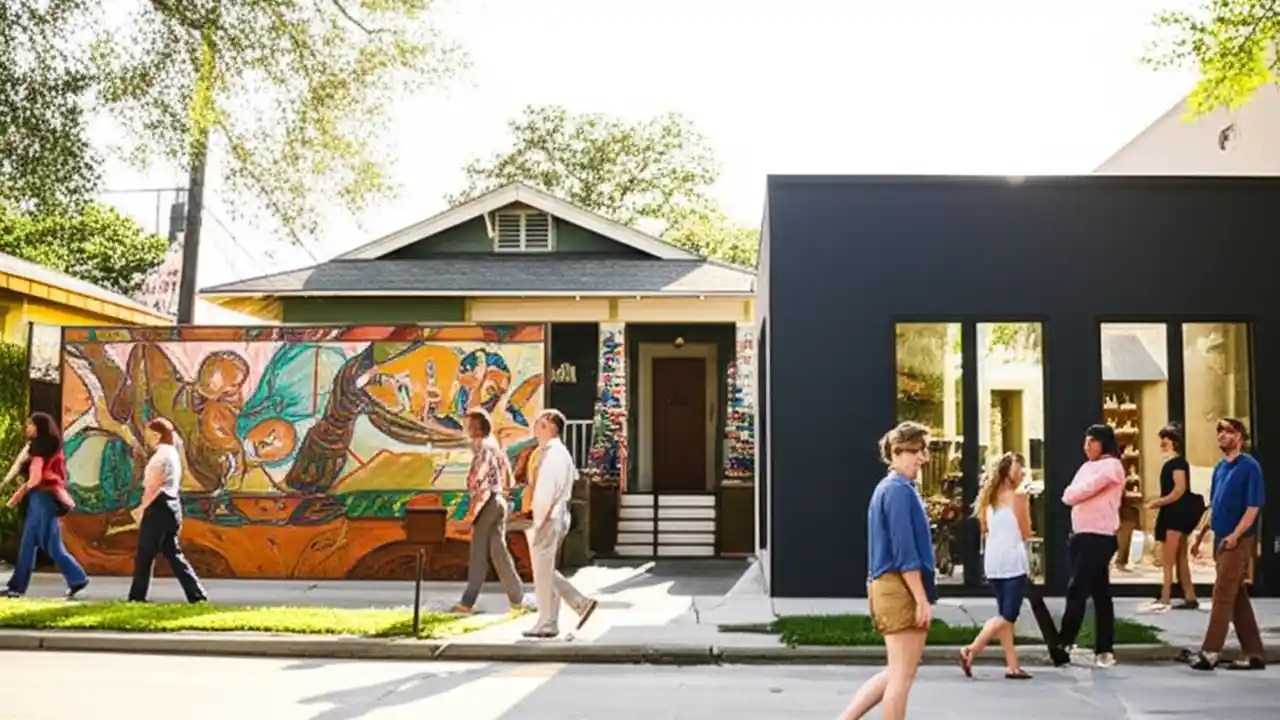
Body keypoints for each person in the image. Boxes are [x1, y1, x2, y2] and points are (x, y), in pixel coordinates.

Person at [839, 421, 935, 720]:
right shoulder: (898, 491)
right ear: (896, 452)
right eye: (917, 451)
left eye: (924, 450)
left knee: (896, 672)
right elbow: (904, 552)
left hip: (887, 586)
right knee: (901, 677)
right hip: (899, 588)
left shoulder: (893, 488)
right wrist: (920, 598)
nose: (923, 458)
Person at [1188, 417, 1265, 671]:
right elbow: (1214, 504)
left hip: (1238, 540)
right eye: (1219, 431)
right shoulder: (1220, 468)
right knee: (1236, 596)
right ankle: (1254, 653)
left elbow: (1253, 507)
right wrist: (1200, 534)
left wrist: (1235, 535)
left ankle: (1210, 652)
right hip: (1221, 539)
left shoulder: (1250, 467)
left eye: (1228, 431)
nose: (1222, 435)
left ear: (1240, 437)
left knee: (1222, 593)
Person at [522, 408, 598, 638]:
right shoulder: (558, 453)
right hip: (557, 515)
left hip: (549, 516)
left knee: (542, 571)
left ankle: (568, 609)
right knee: (546, 570)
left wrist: (538, 521)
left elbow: (546, 491)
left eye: (538, 423)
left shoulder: (553, 454)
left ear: (548, 424)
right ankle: (553, 619)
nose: (534, 427)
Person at [1054, 424, 1125, 668]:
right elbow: (1067, 494)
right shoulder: (1086, 467)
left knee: (1078, 588)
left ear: (1103, 442)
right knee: (1100, 593)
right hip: (1081, 535)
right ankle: (1104, 649)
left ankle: (1064, 642)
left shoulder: (1112, 467)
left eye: (1091, 442)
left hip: (1099, 536)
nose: (1086, 447)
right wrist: (1076, 493)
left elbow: (1079, 492)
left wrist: (1076, 493)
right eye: (1085, 443)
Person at [960, 452, 1033, 680]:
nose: (1022, 473)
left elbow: (985, 529)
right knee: (1008, 616)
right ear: (1007, 472)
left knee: (1005, 615)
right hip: (1013, 562)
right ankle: (972, 649)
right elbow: (1026, 532)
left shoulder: (987, 499)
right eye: (1019, 469)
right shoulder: (1018, 498)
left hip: (993, 562)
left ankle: (1012, 666)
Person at [2, 412, 88, 599]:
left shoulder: (40, 450)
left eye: (31, 425)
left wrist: (18, 494)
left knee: (51, 545)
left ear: (39, 428)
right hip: (41, 498)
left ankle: (77, 577)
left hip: (43, 498)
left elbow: (35, 479)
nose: (28, 428)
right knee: (29, 543)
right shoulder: (48, 446)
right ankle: (17, 586)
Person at [453, 409, 526, 615]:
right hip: (499, 501)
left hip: (488, 503)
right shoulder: (495, 446)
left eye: (468, 425)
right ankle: (518, 600)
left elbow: (478, 482)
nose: (466, 429)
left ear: (476, 428)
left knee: (478, 554)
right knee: (499, 553)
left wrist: (471, 512)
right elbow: (509, 479)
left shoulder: (483, 448)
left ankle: (467, 603)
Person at [128, 418, 208, 603]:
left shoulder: (161, 456)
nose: (146, 439)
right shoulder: (172, 453)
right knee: (173, 553)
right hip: (171, 507)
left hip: (158, 508)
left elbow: (153, 486)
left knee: (145, 555)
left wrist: (141, 509)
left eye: (149, 435)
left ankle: (136, 597)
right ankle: (196, 595)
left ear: (157, 435)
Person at [1145, 423, 1202, 610]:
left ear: (1173, 442)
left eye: (1165, 439)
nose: (1162, 443)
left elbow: (1179, 490)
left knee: (1169, 558)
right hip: (1176, 514)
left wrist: (1157, 503)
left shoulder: (1176, 464)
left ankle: (1166, 596)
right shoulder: (1175, 463)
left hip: (1175, 515)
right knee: (1180, 557)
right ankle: (1189, 595)